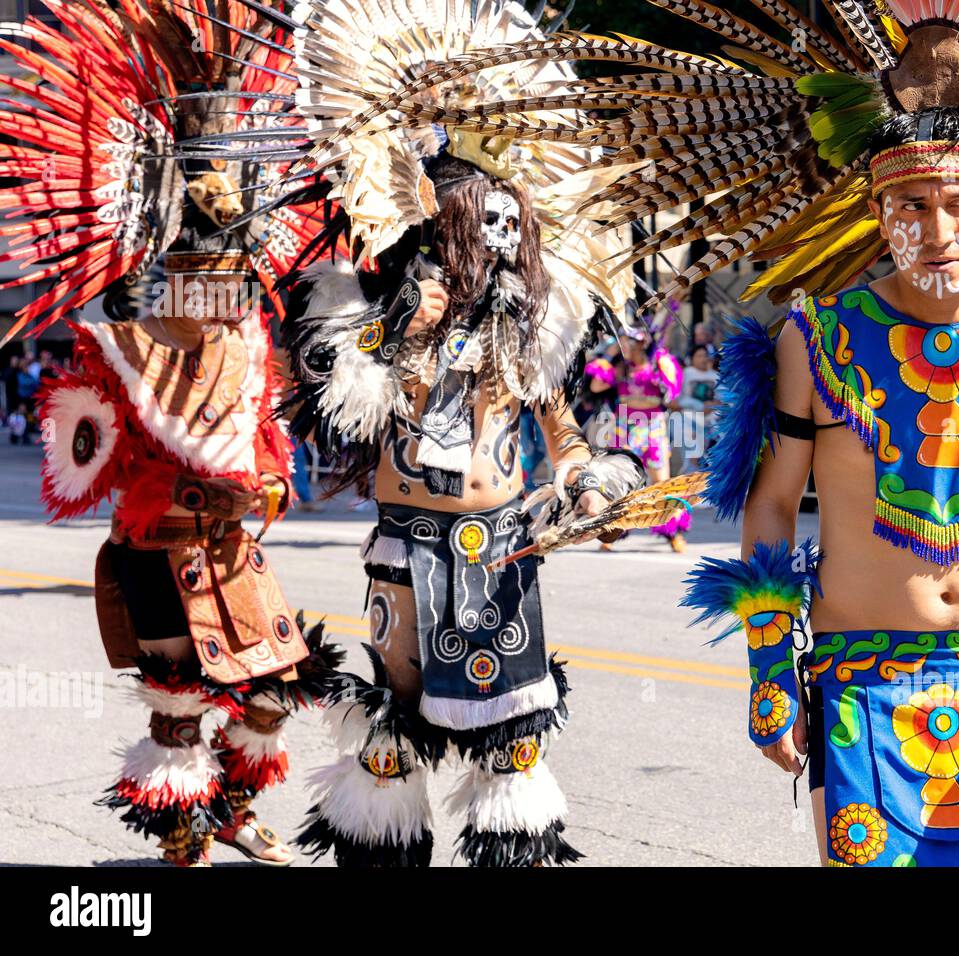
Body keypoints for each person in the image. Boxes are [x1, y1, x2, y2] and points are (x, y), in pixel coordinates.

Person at [442, 0, 959, 866]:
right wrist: (768, 667)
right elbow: (766, 511)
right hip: (857, 677)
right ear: (876, 211)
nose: (939, 230)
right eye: (911, 202)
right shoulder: (815, 338)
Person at [264, 0, 642, 866]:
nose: (507, 244)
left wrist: (586, 482)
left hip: (503, 550)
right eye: (490, 227)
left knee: (513, 746)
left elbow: (564, 434)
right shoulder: (388, 323)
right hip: (409, 551)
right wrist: (401, 332)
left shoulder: (526, 343)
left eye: (518, 228)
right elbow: (338, 402)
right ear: (451, 228)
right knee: (394, 737)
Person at [7, 0, 337, 866]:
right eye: (200, 242)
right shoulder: (125, 338)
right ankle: (180, 841)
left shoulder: (249, 333)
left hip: (229, 546)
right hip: (161, 548)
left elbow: (266, 431)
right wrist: (116, 399)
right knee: (180, 701)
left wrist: (268, 475)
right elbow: (85, 452)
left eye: (228, 252)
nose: (216, 266)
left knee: (275, 690)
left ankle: (228, 808)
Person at [586, 330, 689, 551]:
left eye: (634, 343)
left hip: (652, 429)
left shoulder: (657, 367)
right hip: (624, 429)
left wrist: (659, 352)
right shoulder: (621, 370)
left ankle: (674, 533)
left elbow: (673, 388)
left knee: (662, 484)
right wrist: (611, 351)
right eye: (627, 343)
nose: (630, 347)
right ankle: (614, 531)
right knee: (623, 485)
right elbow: (596, 385)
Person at [674, 344, 721, 470]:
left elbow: (721, 398)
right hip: (690, 422)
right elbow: (678, 399)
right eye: (699, 356)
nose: (703, 359)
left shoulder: (715, 376)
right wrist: (698, 407)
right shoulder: (685, 374)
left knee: (709, 460)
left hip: (711, 423)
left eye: (705, 355)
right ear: (692, 358)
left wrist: (712, 406)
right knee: (691, 461)